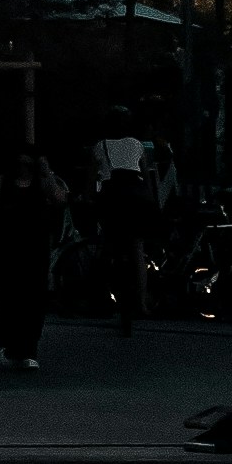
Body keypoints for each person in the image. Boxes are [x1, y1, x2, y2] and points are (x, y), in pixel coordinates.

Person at [0, 145, 69, 371]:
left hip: (36, 247)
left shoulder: (42, 183)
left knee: (34, 298)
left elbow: (59, 200)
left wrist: (46, 172)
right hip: (9, 247)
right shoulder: (3, 181)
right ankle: (7, 342)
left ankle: (28, 350)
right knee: (10, 295)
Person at [93, 116, 153, 336]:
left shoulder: (101, 145)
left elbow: (96, 176)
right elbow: (145, 175)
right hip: (137, 200)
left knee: (107, 247)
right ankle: (141, 301)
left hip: (113, 199)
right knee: (137, 249)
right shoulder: (137, 144)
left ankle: (101, 297)